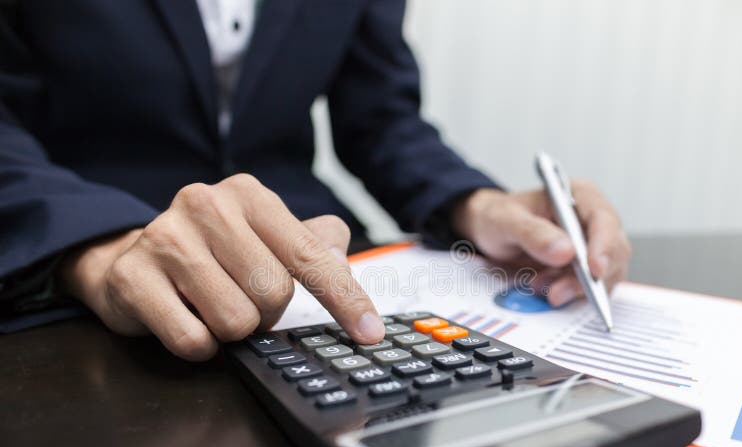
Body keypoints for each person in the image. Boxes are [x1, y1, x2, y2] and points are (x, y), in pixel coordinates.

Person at [0, 0, 631, 360]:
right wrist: (96, 248)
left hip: (311, 263)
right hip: (82, 268)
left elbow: (381, 116)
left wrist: (477, 204)